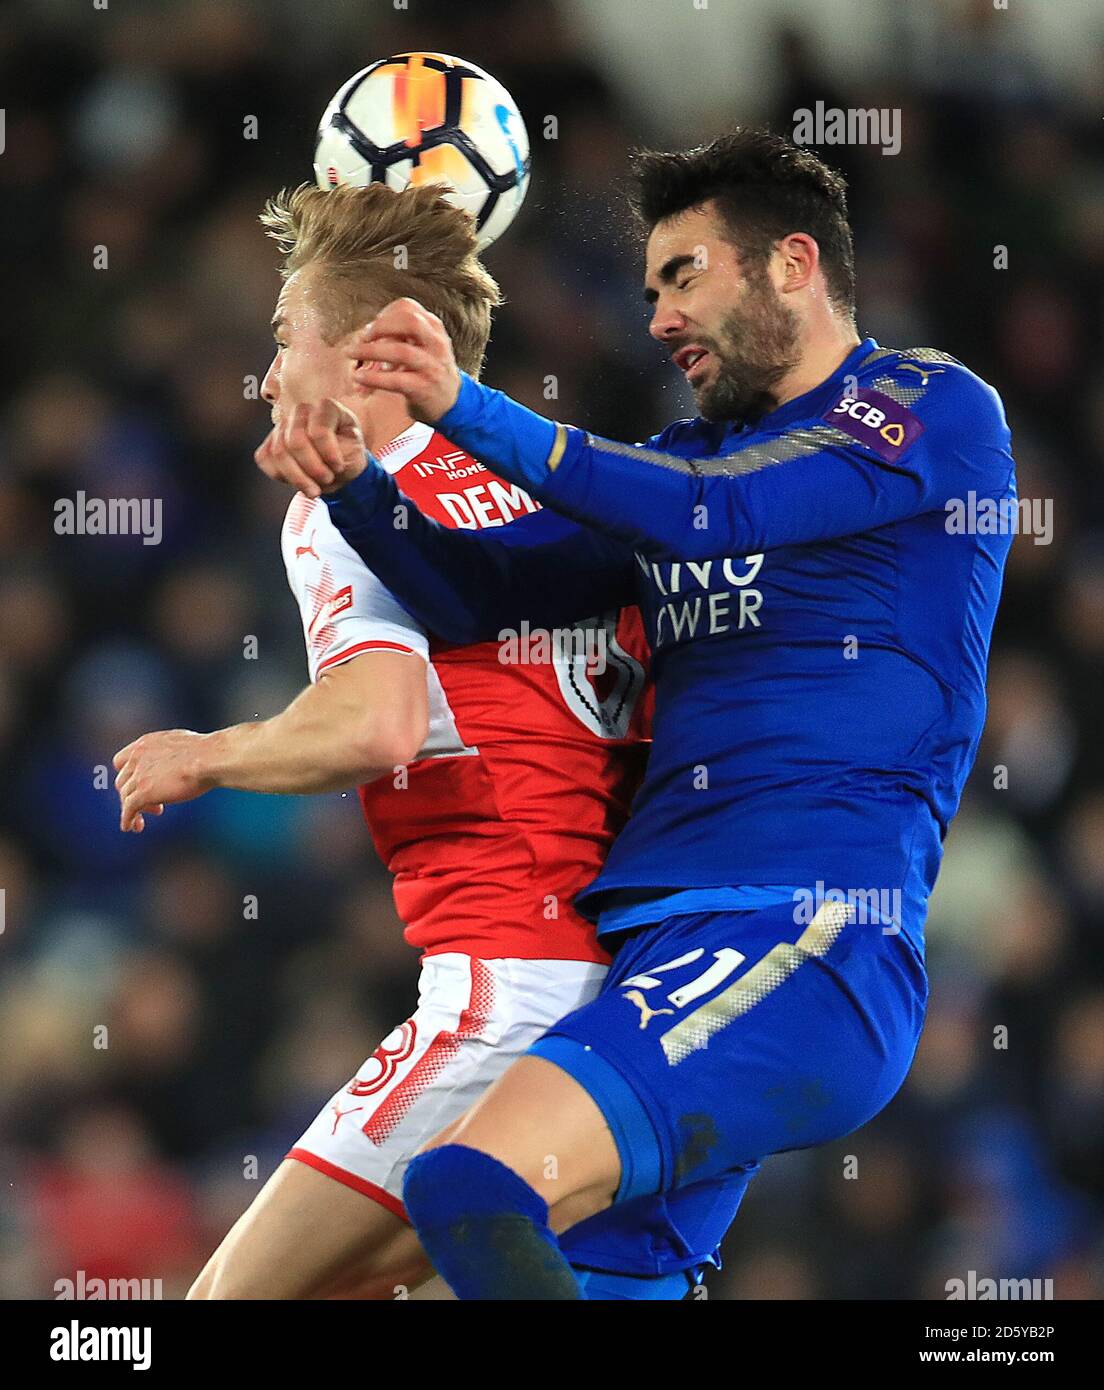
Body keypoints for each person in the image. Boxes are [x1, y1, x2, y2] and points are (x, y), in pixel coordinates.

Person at [265, 129, 1017, 1299]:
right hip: (662, 944)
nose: (659, 316)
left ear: (792, 265)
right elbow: (497, 592)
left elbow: (714, 512)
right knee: (588, 1276)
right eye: (650, 286)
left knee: (469, 1182)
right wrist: (359, 489)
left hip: (809, 929)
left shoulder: (925, 406)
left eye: (684, 276)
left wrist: (465, 407)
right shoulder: (690, 455)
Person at [114, 182, 737, 1300]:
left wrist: (205, 754)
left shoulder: (344, 500)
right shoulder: (562, 485)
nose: (268, 379)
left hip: (505, 986)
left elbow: (379, 720)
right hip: (638, 1001)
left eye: (283, 339)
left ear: (368, 357)